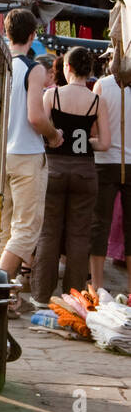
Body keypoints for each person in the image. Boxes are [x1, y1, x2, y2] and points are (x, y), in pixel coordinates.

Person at [31, 47, 109, 305]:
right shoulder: (97, 101)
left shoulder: (52, 96)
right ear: (89, 72)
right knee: (79, 234)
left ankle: (41, 294)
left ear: (68, 68)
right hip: (85, 171)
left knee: (49, 231)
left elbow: (42, 130)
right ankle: (74, 296)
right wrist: (86, 141)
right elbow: (105, 143)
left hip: (54, 168)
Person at [0, 9, 62, 314]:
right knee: (25, 229)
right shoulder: (32, 68)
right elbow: (36, 117)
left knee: (3, 227)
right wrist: (54, 135)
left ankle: (5, 298)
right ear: (33, 36)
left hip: (0, 154)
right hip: (26, 153)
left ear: (7, 33)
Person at [90, 68, 131, 296]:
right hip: (124, 164)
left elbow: (94, 128)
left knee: (100, 224)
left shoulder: (102, 85)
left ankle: (97, 285)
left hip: (105, 162)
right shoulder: (103, 85)